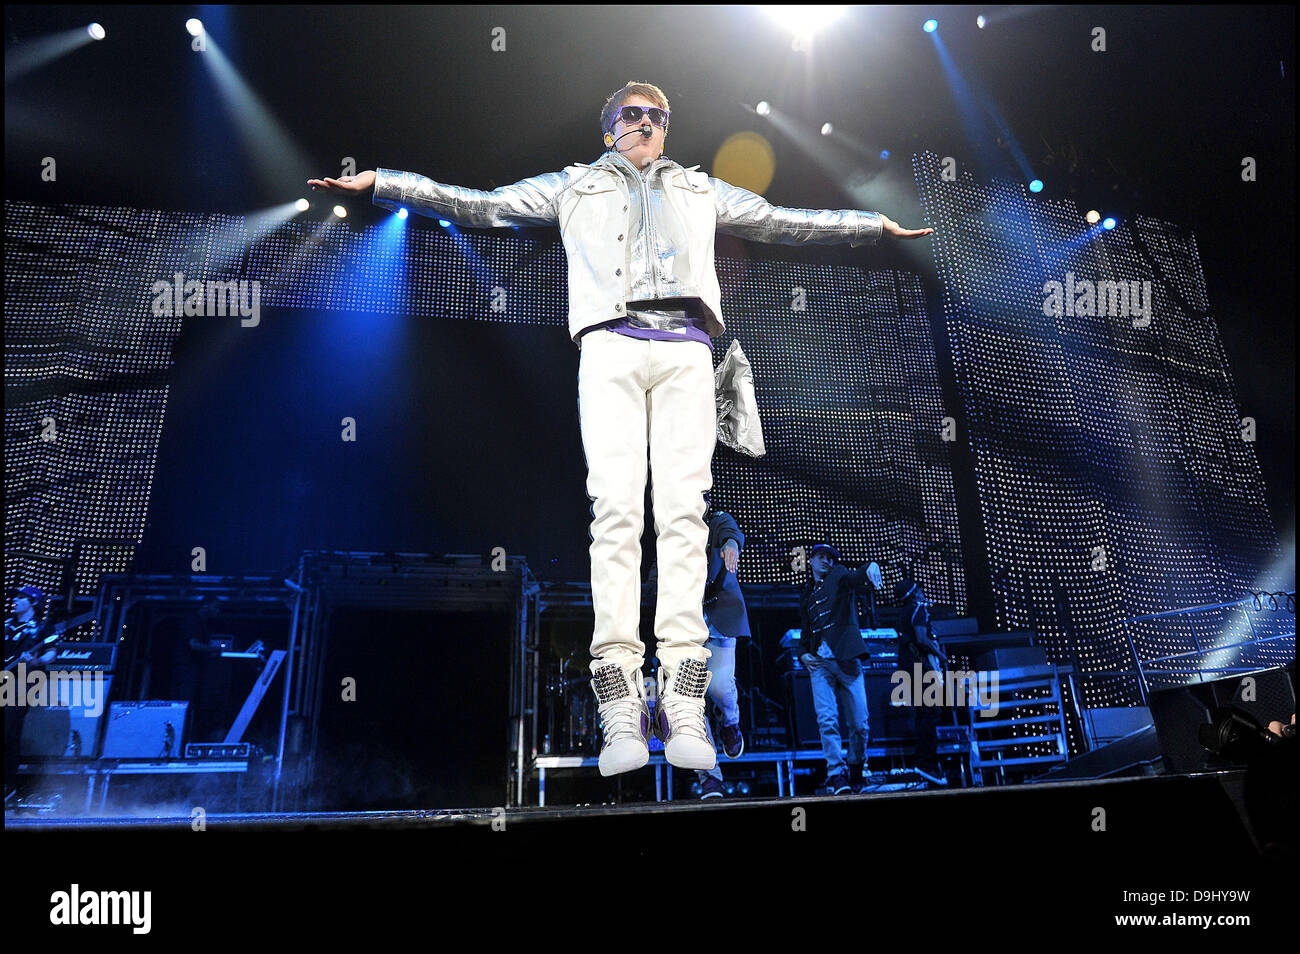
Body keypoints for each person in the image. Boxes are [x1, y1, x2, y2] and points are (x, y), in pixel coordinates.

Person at [309, 82, 933, 779]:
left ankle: (686, 704)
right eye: (630, 115)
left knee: (682, 520)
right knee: (615, 518)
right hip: (608, 345)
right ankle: (619, 711)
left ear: (667, 130)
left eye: (656, 116)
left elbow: (781, 220)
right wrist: (387, 183)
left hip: (687, 350)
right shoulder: (571, 185)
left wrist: (870, 225)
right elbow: (479, 205)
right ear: (609, 130)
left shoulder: (701, 189)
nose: (644, 123)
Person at [798, 544, 883, 794]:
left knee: (860, 724)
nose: (826, 561)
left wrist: (871, 567)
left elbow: (856, 577)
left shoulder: (839, 575)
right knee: (827, 719)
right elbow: (806, 628)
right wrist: (803, 652)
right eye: (820, 557)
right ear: (811, 561)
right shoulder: (806, 593)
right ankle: (836, 773)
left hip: (847, 659)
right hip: (820, 664)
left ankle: (856, 764)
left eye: (830, 558)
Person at [695, 508, 749, 798]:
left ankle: (729, 722)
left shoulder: (716, 520)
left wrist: (730, 544)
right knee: (689, 701)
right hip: (684, 625)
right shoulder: (668, 529)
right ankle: (709, 775)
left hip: (719, 616)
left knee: (719, 687)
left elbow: (731, 531)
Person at [894, 572, 950, 786]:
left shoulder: (903, 613)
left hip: (908, 668)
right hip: (920, 668)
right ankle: (927, 763)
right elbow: (921, 639)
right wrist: (941, 656)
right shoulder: (919, 609)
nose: (922, 591)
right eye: (919, 589)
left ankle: (923, 761)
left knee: (922, 713)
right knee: (931, 713)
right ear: (914, 592)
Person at [4, 586, 56, 797]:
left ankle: (7, 784)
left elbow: (51, 653)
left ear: (33, 602)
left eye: (21, 597)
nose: (15, 600)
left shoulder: (42, 628)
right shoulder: (6, 625)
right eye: (15, 597)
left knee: (8, 729)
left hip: (25, 680)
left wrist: (36, 660)